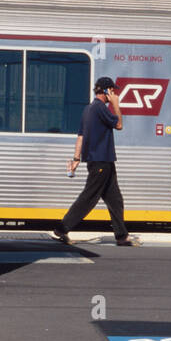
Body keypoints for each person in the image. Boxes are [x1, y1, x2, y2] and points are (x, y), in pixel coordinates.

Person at [53, 76, 142, 246]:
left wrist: (76, 159)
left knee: (115, 199)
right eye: (113, 91)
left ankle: (121, 236)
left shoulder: (88, 109)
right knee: (88, 198)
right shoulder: (100, 108)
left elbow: (81, 136)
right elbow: (119, 125)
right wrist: (116, 103)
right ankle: (61, 229)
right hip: (100, 161)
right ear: (107, 91)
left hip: (104, 161)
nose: (114, 93)